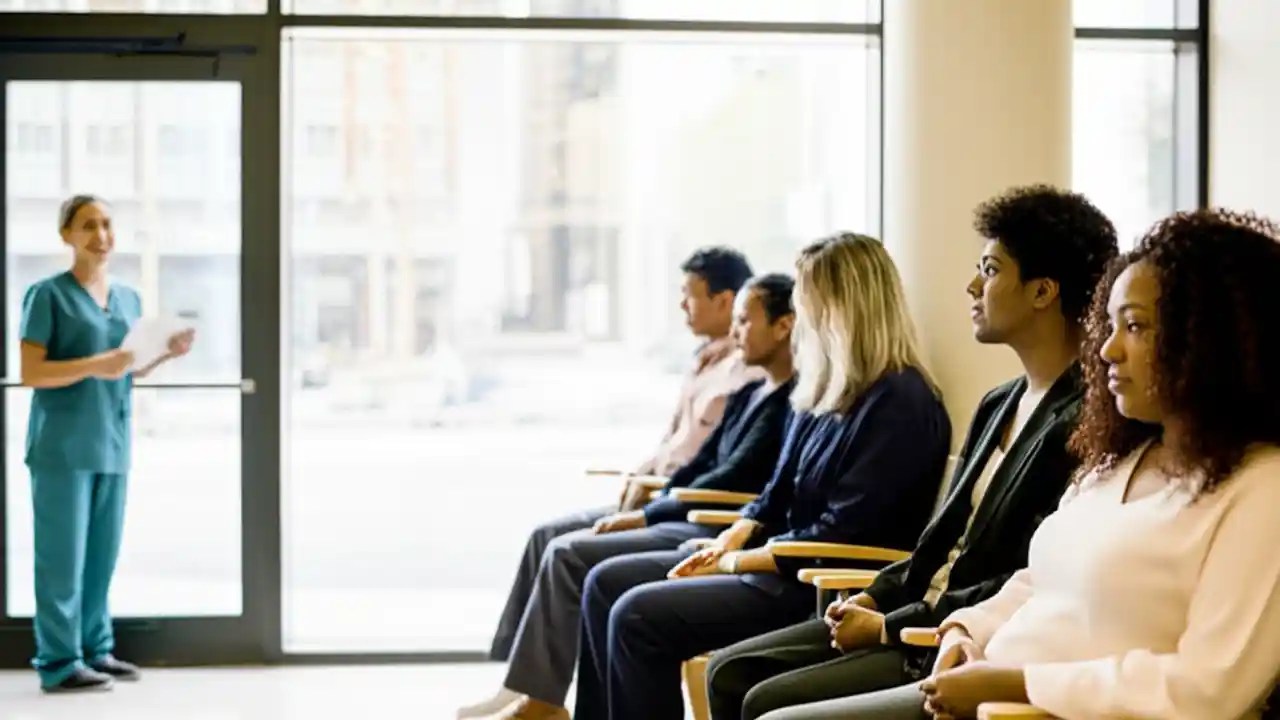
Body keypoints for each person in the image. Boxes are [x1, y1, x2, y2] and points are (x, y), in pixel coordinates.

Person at [768, 209, 1280, 719]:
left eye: (1136, 327)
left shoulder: (1261, 490)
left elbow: (1207, 692)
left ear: (1214, 341)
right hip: (985, 686)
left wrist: (1021, 684)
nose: (1106, 349)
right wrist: (965, 634)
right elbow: (1038, 581)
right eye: (1111, 324)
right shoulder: (1120, 460)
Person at [704, 185, 1119, 720]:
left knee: (764, 698)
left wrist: (891, 625)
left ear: (1042, 292)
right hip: (912, 608)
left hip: (958, 637)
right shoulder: (1000, 402)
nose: (972, 286)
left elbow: (1027, 574)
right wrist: (875, 597)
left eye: (990, 271)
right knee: (730, 671)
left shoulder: (1085, 419)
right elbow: (938, 543)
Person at [573, 233, 952, 720]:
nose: (800, 321)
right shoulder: (824, 390)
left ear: (843, 307)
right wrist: (736, 534)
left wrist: (739, 562)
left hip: (819, 585)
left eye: (808, 303)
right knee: (607, 583)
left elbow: (847, 530)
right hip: (778, 567)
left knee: (637, 615)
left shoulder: (901, 403)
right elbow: (775, 494)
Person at [479, 273, 798, 720]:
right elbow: (700, 464)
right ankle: (533, 691)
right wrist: (652, 502)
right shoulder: (749, 393)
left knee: (578, 559)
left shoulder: (792, 402)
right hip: (693, 510)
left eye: (746, 320)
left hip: (713, 519)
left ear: (785, 325)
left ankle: (541, 700)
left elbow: (735, 476)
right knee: (562, 547)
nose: (737, 331)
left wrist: (648, 514)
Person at [20, 195, 195, 693]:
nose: (101, 234)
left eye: (106, 224)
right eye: (88, 225)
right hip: (61, 446)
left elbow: (128, 366)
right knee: (61, 558)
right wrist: (97, 364)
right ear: (67, 236)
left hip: (112, 440)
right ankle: (58, 661)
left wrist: (166, 355)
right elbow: (32, 371)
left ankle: (97, 649)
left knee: (101, 555)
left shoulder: (129, 300)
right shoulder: (46, 296)